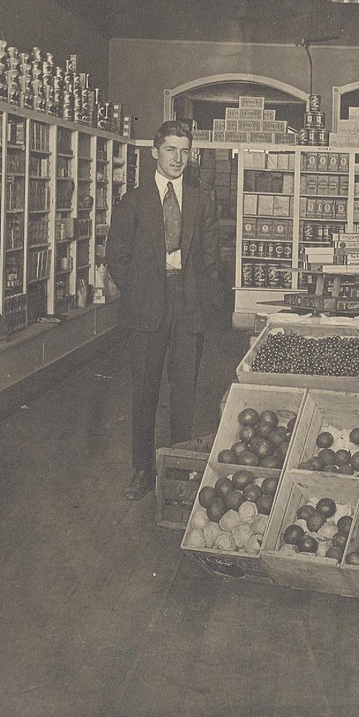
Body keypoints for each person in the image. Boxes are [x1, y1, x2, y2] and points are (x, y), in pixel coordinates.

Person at [106, 120, 222, 500]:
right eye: (171, 149)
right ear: (154, 152)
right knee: (145, 391)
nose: (178, 158)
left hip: (188, 307)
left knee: (184, 393)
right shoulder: (134, 201)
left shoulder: (201, 200)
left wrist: (200, 299)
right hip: (147, 309)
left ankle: (181, 469)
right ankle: (143, 470)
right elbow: (116, 257)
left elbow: (209, 259)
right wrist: (141, 291)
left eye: (185, 150)